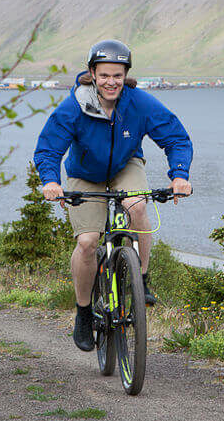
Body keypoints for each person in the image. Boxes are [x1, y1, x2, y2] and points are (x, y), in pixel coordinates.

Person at [34, 39, 193, 352]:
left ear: (126, 76)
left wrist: (179, 176)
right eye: (104, 75)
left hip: (124, 164)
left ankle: (140, 280)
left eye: (117, 76)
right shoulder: (75, 106)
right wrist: (51, 181)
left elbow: (176, 137)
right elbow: (49, 147)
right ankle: (82, 312)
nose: (111, 82)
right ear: (92, 73)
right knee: (87, 242)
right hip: (84, 174)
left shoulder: (139, 103)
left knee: (136, 205)